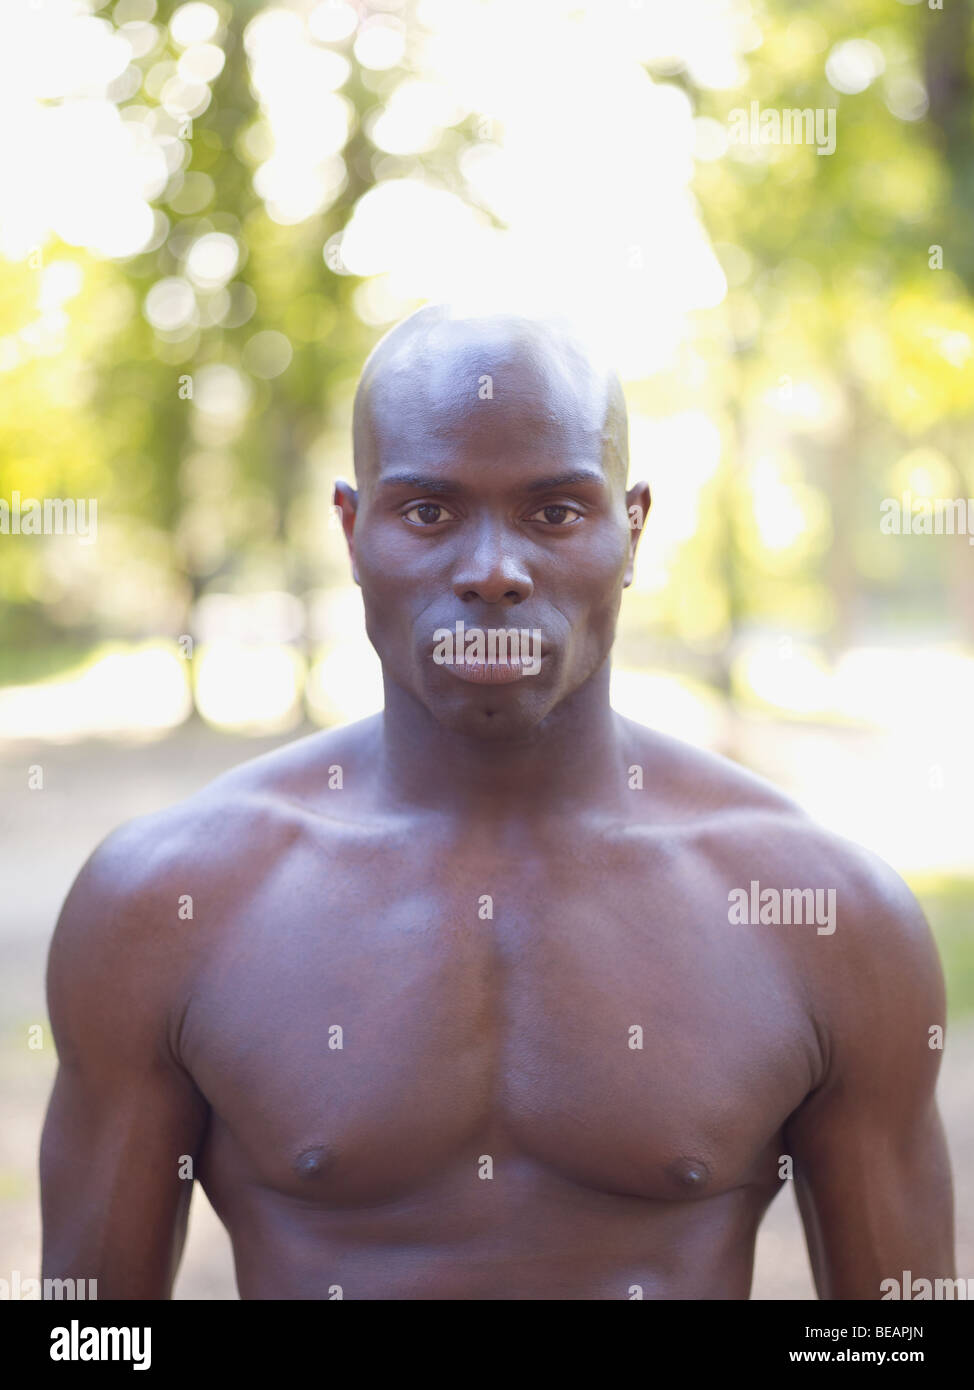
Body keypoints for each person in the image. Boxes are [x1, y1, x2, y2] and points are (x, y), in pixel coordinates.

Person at [40, 306, 954, 1299]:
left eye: (553, 512)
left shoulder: (827, 917)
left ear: (632, 526)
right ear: (352, 531)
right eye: (428, 512)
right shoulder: (167, 904)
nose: (490, 571)